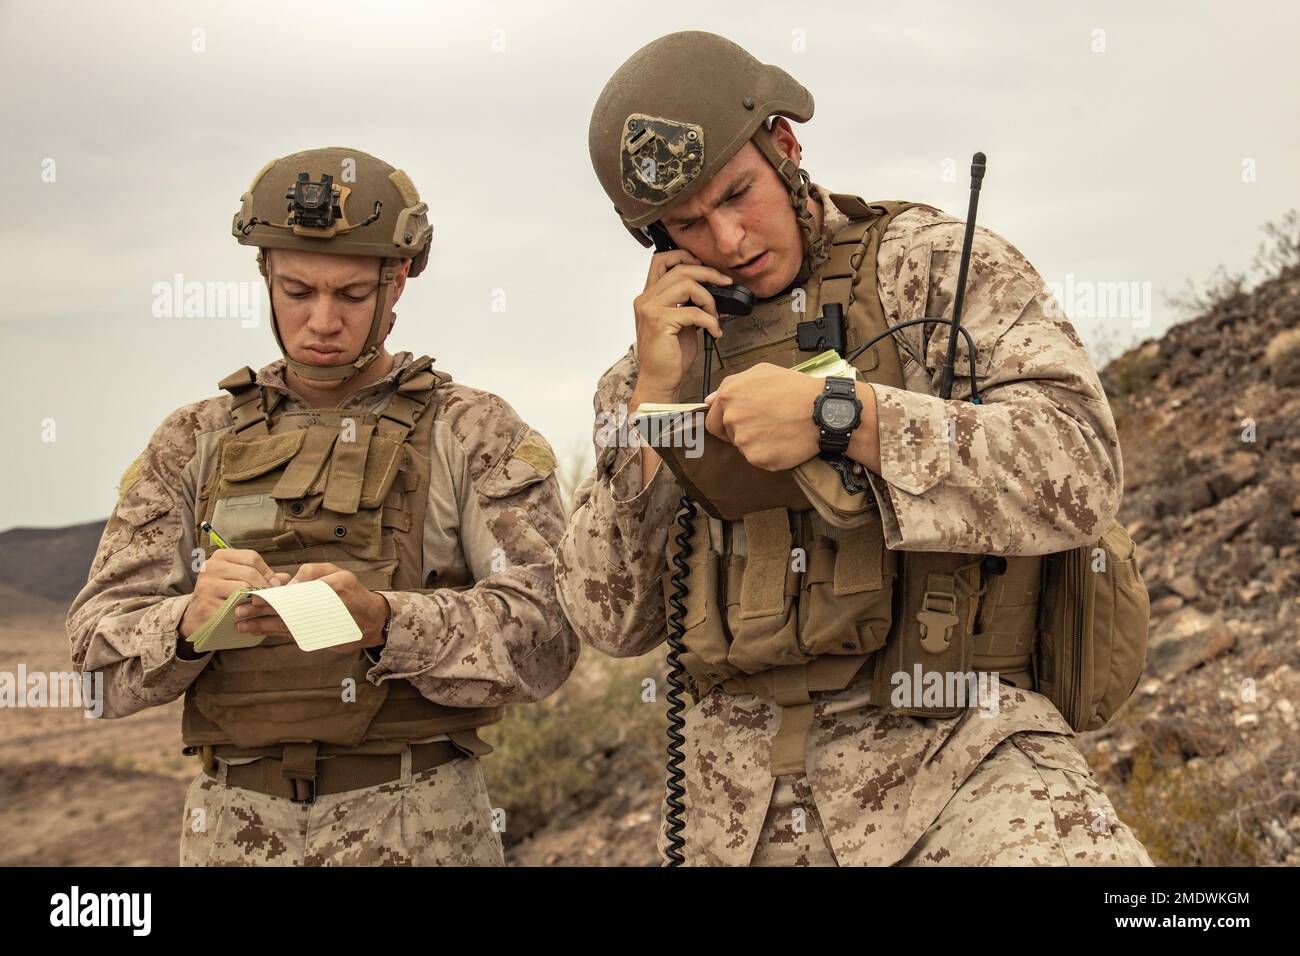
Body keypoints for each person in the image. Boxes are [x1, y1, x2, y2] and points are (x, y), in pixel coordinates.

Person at [556, 31, 1154, 866]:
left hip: (959, 761)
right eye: (685, 226)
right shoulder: (651, 367)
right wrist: (656, 413)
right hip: (738, 815)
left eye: (739, 194)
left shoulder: (929, 265)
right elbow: (609, 621)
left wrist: (848, 418)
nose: (726, 240)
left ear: (786, 147)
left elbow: (1081, 464)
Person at [67, 147, 578, 866]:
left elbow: (548, 637)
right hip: (233, 828)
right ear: (265, 278)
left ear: (397, 282)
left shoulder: (474, 430)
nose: (322, 321)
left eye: (350, 294)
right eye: (297, 290)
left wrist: (386, 622)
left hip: (419, 825)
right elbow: (94, 660)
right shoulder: (192, 440)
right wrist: (185, 623)